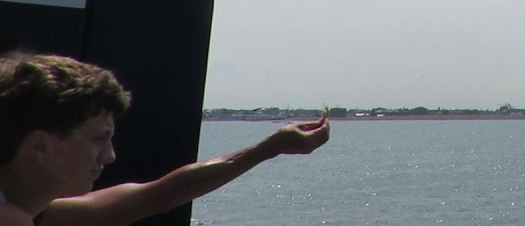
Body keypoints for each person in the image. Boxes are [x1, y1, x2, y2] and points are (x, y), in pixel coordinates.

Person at [0, 52, 329, 226]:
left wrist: (270, 148)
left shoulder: (29, 207)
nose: (110, 156)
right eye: (98, 139)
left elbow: (161, 196)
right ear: (41, 146)